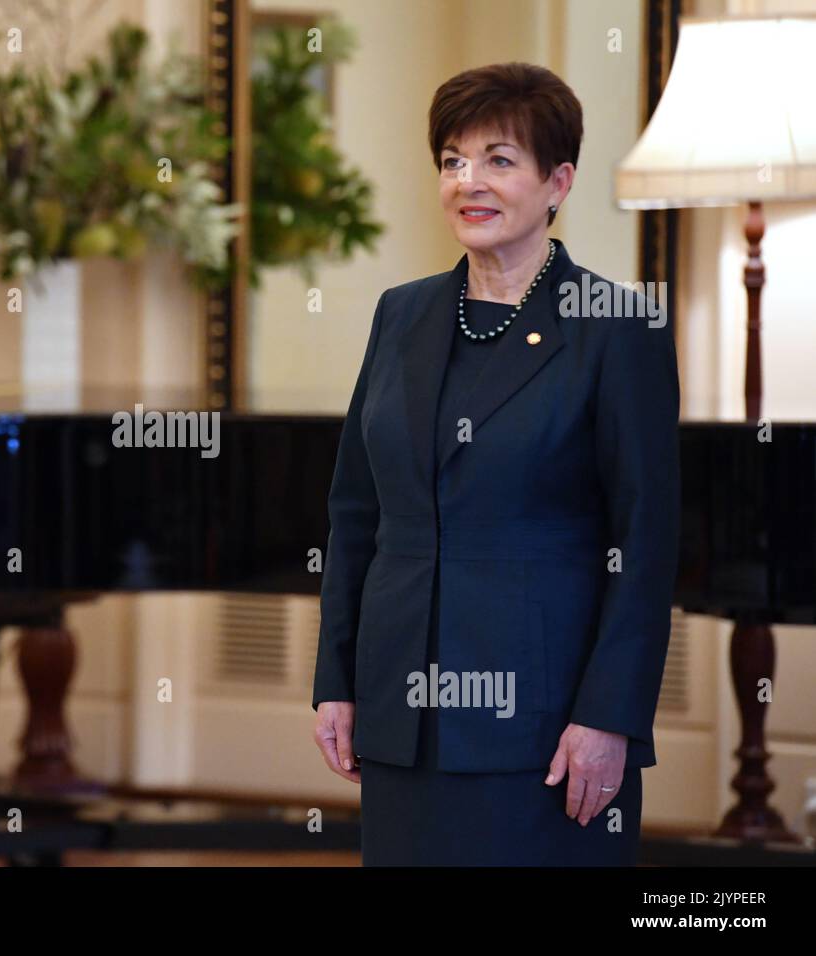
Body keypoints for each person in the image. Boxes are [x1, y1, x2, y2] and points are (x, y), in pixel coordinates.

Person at [310, 62, 680, 865]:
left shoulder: (616, 328)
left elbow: (644, 543)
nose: (468, 181)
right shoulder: (401, 313)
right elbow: (355, 514)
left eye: (499, 160)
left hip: (545, 732)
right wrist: (336, 679)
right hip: (404, 717)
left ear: (559, 182)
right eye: (452, 160)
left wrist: (610, 715)